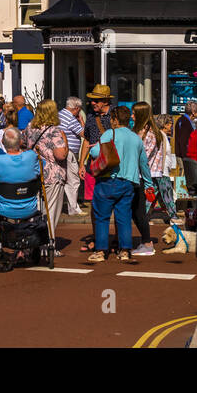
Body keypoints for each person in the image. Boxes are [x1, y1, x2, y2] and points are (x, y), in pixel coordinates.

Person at [85, 105, 153, 265]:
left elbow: (95, 153)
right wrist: (149, 183)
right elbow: (144, 163)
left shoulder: (110, 133)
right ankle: (124, 250)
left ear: (115, 119)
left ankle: (101, 251)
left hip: (108, 180)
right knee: (123, 217)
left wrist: (95, 148)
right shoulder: (136, 138)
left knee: (102, 217)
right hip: (129, 182)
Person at [23, 99, 69, 236]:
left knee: (36, 209)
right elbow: (60, 155)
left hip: (34, 171)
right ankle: (48, 243)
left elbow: (22, 143)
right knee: (51, 210)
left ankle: (34, 241)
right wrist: (65, 144)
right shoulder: (54, 131)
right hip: (52, 174)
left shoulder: (30, 127)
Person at [0, 127, 42, 218]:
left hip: (2, 209)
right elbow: (42, 166)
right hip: (30, 208)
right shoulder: (31, 156)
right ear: (20, 142)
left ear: (3, 142)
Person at [78, 85, 112, 250]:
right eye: (91, 100)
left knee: (113, 203)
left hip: (111, 164)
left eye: (96, 100)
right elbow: (86, 140)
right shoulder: (91, 116)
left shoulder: (115, 116)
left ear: (106, 101)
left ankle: (116, 239)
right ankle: (97, 238)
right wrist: (81, 164)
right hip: (93, 164)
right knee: (94, 204)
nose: (92, 103)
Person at [129, 102, 163, 257]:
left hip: (141, 176)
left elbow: (142, 157)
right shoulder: (147, 132)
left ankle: (147, 242)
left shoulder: (147, 134)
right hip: (141, 175)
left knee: (139, 211)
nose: (131, 116)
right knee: (137, 210)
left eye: (134, 114)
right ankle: (145, 241)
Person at [57, 97, 86, 216]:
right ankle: (73, 208)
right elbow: (84, 134)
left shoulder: (59, 114)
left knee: (65, 179)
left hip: (61, 150)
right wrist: (82, 122)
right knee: (73, 180)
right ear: (77, 108)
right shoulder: (71, 118)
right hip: (69, 152)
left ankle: (71, 206)